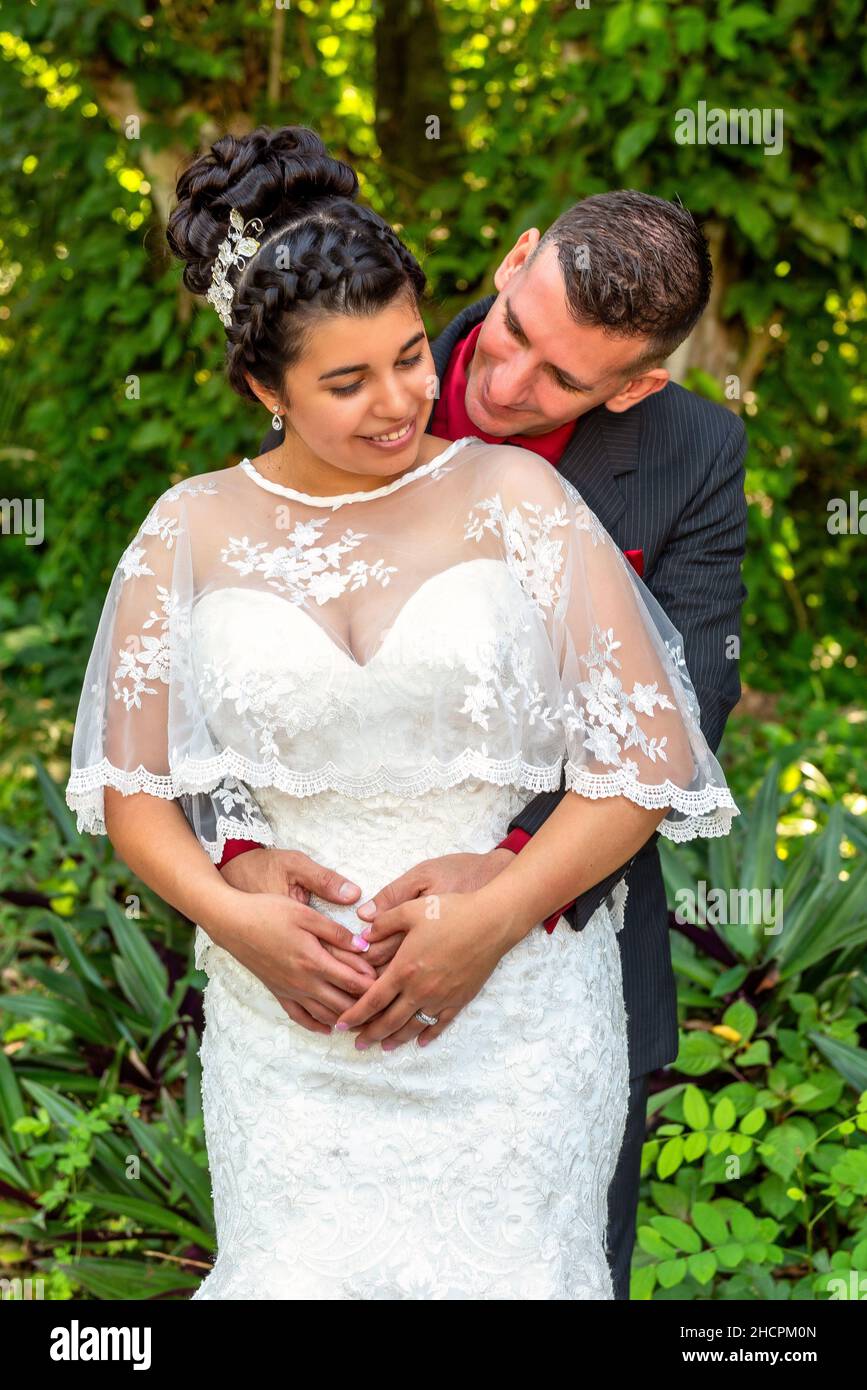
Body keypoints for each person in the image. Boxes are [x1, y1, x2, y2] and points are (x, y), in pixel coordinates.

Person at [65, 125, 739, 1300]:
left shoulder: (541, 489)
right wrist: (231, 897)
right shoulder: (204, 508)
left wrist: (505, 900)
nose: (411, 400)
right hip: (291, 1029)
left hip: (521, 1004)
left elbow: (661, 741)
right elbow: (152, 775)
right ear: (263, 385)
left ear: (633, 386)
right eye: (347, 381)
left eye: (411, 359)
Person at [243, 167, 750, 1301]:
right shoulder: (346, 336)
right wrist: (235, 858)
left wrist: (512, 881)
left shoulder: (694, 457)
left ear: (636, 388)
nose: (505, 381)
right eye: (512, 330)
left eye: (562, 378)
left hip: (556, 979)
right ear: (516, 259)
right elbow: (227, 646)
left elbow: (682, 714)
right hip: (309, 976)